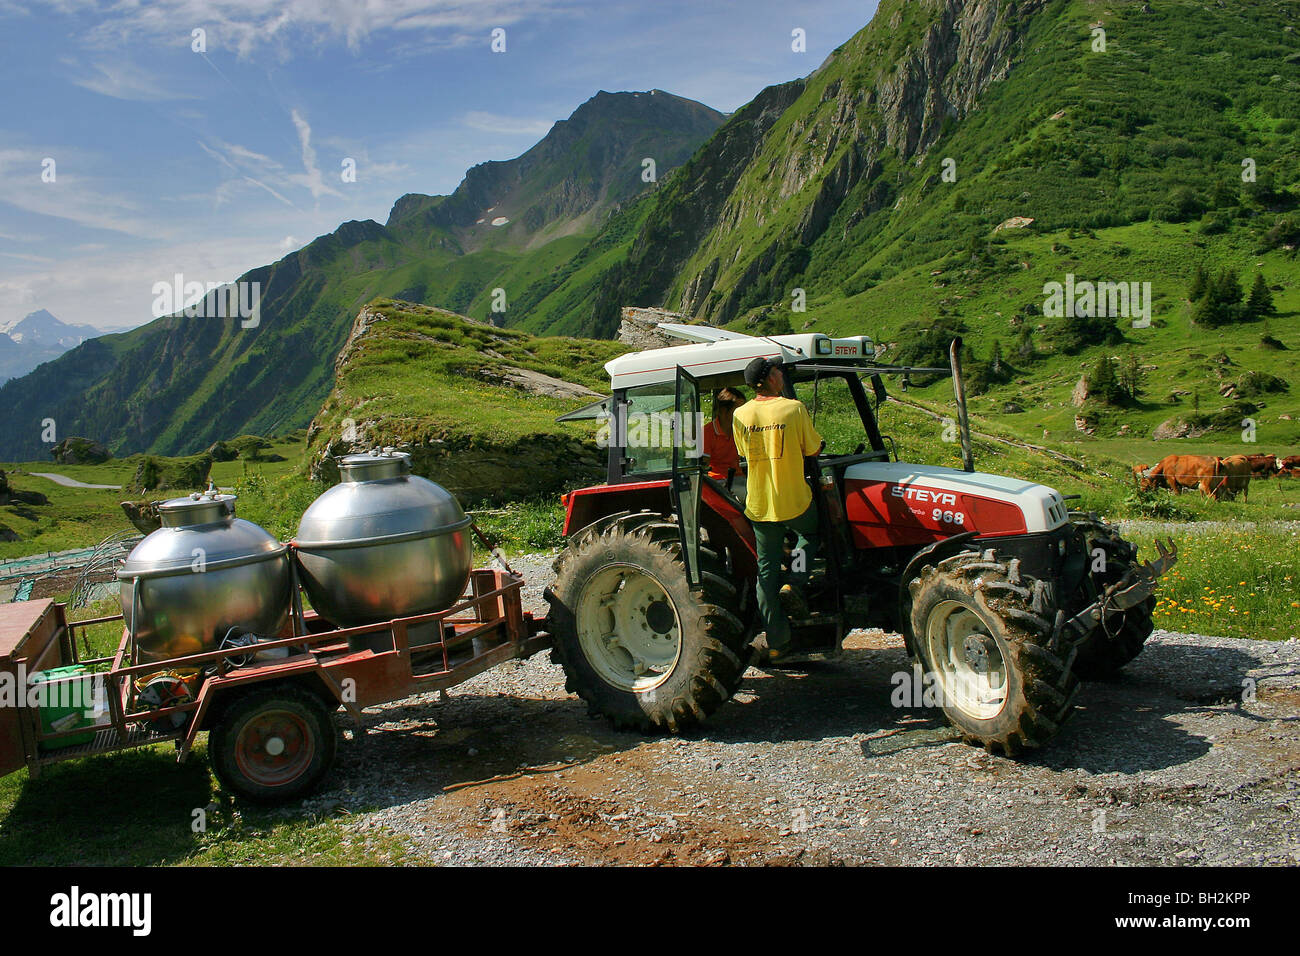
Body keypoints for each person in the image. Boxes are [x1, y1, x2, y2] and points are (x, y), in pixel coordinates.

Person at [731, 356, 823, 659]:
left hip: (759, 504)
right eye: (777, 371)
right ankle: (796, 582)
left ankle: (777, 637)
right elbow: (812, 448)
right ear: (770, 378)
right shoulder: (793, 409)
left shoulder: (741, 414)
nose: (781, 375)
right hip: (794, 499)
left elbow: (744, 453)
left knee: (766, 571)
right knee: (809, 535)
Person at [702, 387, 745, 484]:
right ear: (723, 411)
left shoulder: (741, 429)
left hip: (738, 478)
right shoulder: (706, 433)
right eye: (738, 411)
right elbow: (703, 467)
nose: (743, 415)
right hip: (717, 481)